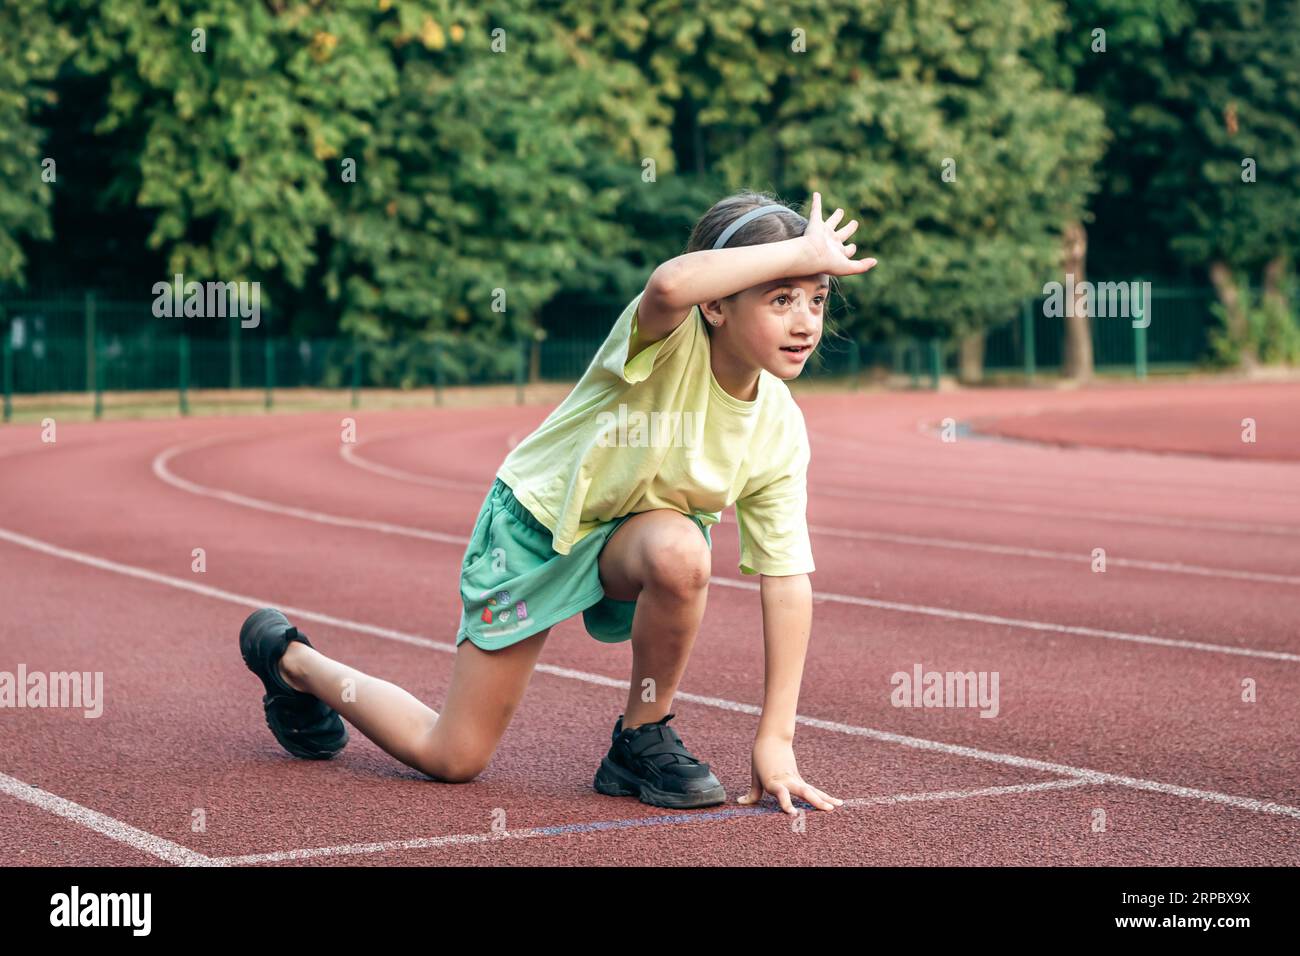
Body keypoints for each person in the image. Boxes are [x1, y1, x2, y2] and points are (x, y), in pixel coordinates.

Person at [239, 189, 876, 815]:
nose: (805, 322)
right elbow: (670, 284)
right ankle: (295, 663)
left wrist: (777, 744)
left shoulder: (779, 427)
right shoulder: (665, 337)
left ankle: (641, 737)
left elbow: (787, 577)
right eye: (782, 299)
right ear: (716, 307)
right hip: (536, 527)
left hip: (634, 540)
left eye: (817, 300)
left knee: (683, 551)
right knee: (454, 757)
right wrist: (801, 248)